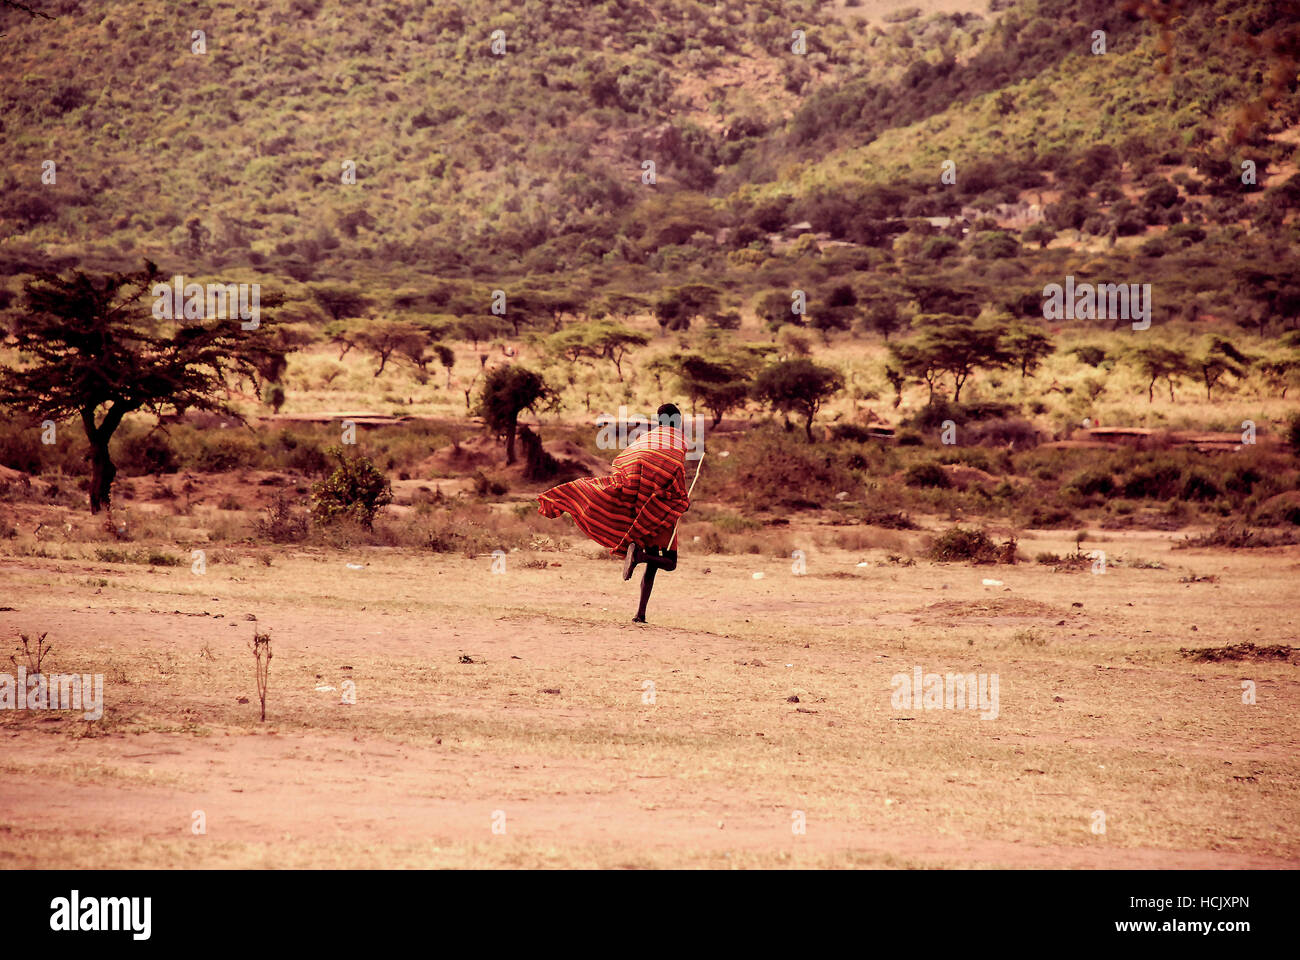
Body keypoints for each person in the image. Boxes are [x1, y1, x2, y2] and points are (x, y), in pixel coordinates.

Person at [538, 404, 692, 623]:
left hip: (639, 502)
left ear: (659, 421)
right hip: (659, 509)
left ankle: (640, 614)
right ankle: (639, 558)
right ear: (677, 421)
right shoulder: (678, 442)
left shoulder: (647, 439)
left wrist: (638, 487)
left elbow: (625, 460)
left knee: (653, 563)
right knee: (667, 562)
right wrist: (682, 500)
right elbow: (674, 475)